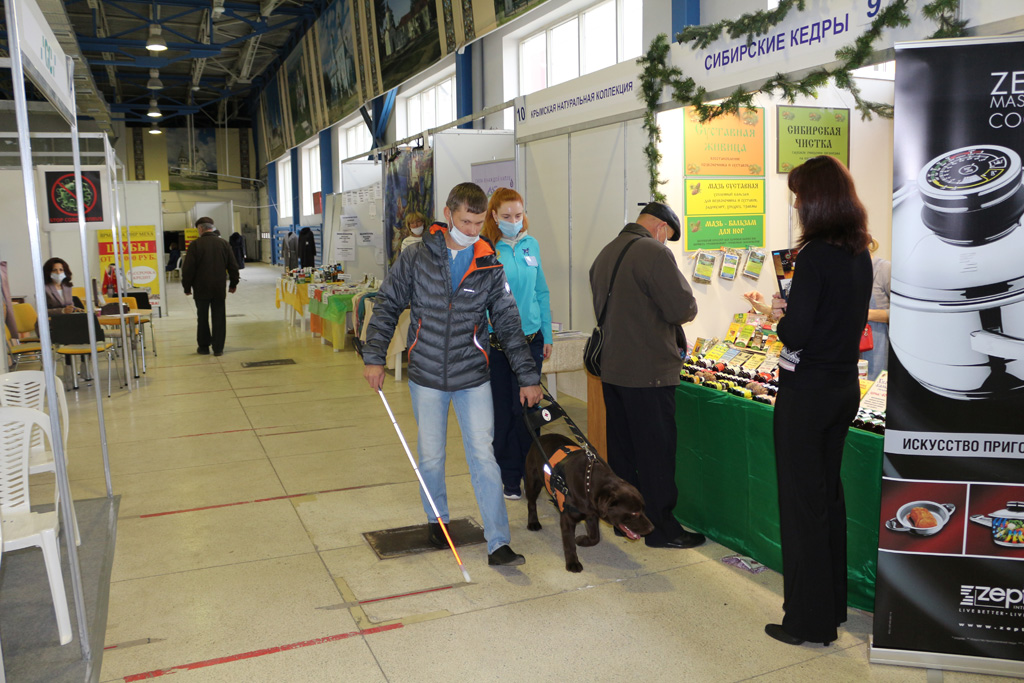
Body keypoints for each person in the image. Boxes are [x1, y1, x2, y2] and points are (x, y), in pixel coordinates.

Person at [362, 182, 543, 567]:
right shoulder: (415, 258)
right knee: (430, 457)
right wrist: (374, 356)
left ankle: (498, 542)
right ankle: (437, 520)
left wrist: (528, 377)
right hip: (426, 374)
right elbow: (387, 304)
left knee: (483, 456)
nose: (474, 229)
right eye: (467, 221)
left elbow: (509, 322)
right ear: (448, 215)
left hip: (473, 376)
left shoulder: (489, 261)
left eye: (479, 223)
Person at [766, 155, 872, 647]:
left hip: (805, 392)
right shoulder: (858, 252)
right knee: (828, 495)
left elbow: (799, 331)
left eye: (799, 197)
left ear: (816, 201)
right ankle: (831, 604)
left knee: (801, 503)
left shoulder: (812, 257)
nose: (797, 205)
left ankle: (807, 622)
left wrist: (779, 317)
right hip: (842, 388)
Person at [589, 202, 702, 550]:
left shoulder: (605, 252)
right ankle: (662, 529)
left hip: (614, 370)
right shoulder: (653, 252)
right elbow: (683, 308)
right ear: (660, 228)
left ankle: (624, 521)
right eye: (668, 236)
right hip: (649, 373)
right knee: (655, 454)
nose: (666, 243)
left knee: (623, 451)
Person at [480, 188, 552, 499]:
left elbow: (541, 292)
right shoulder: (486, 249)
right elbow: (481, 298)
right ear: (494, 216)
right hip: (500, 346)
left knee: (529, 412)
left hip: (532, 340)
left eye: (519, 216)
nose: (514, 221)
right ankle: (509, 478)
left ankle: (532, 474)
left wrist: (547, 333)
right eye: (507, 216)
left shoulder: (530, 244)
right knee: (506, 412)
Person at [182, 217, 240, 356]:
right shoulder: (224, 244)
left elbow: (188, 268)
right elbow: (233, 266)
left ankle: (203, 347)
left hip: (201, 289)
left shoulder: (195, 245)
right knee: (219, 317)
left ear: (200, 229)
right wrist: (233, 283)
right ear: (212, 228)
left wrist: (187, 287)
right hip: (219, 288)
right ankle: (218, 348)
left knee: (202, 317)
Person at [861, 238, 890, 380]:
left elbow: (904, 314)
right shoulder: (844, 271)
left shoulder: (884, 269)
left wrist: (864, 314)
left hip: (876, 349)